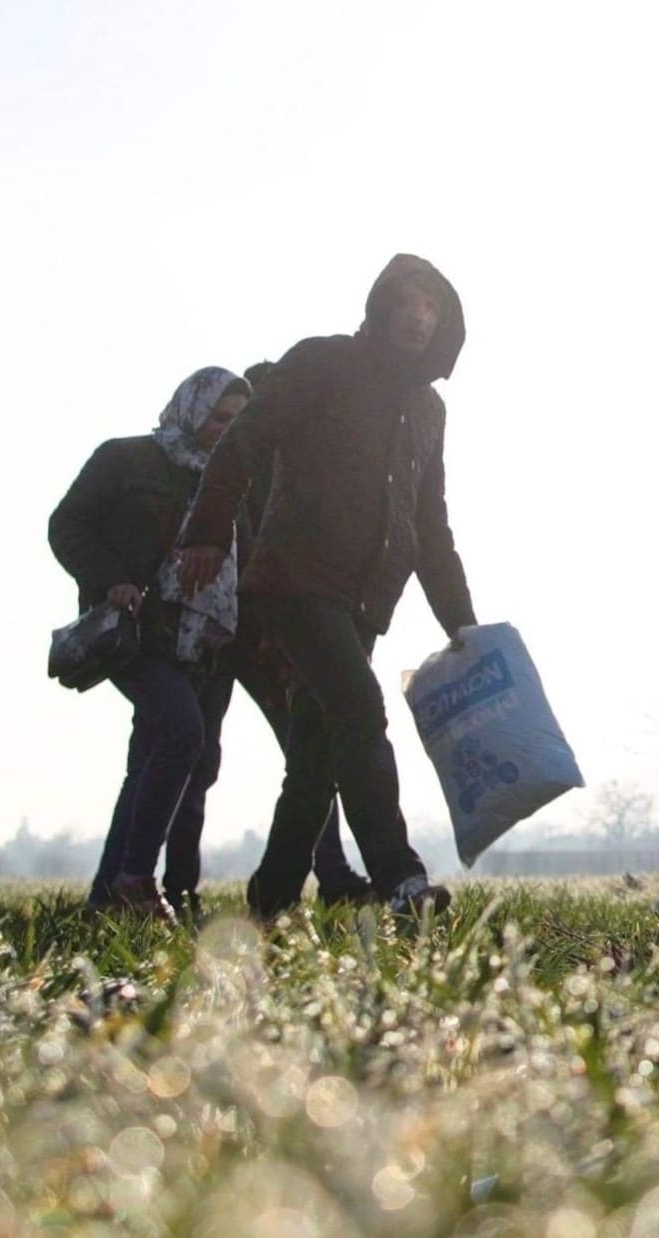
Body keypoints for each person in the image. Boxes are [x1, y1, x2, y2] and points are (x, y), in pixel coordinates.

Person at [177, 254, 477, 920]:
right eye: (407, 300)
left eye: (431, 305)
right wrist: (205, 530)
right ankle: (402, 881)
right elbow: (244, 442)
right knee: (361, 711)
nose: (417, 315)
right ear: (382, 305)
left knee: (313, 762)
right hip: (293, 580)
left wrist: (464, 624)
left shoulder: (429, 411)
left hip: (365, 601)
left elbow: (431, 527)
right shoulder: (322, 363)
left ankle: (271, 901)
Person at [50, 367, 250, 920]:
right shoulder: (125, 458)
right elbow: (65, 526)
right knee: (183, 731)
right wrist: (110, 578)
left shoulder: (230, 480)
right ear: (191, 408)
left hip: (192, 642)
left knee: (148, 759)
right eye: (216, 416)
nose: (223, 429)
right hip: (129, 630)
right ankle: (137, 880)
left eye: (235, 422)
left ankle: (105, 896)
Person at [204, 359, 376, 908]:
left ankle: (330, 874)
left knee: (309, 754)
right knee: (197, 753)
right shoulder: (213, 467)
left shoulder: (302, 469)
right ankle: (171, 882)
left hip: (265, 638)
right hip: (209, 636)